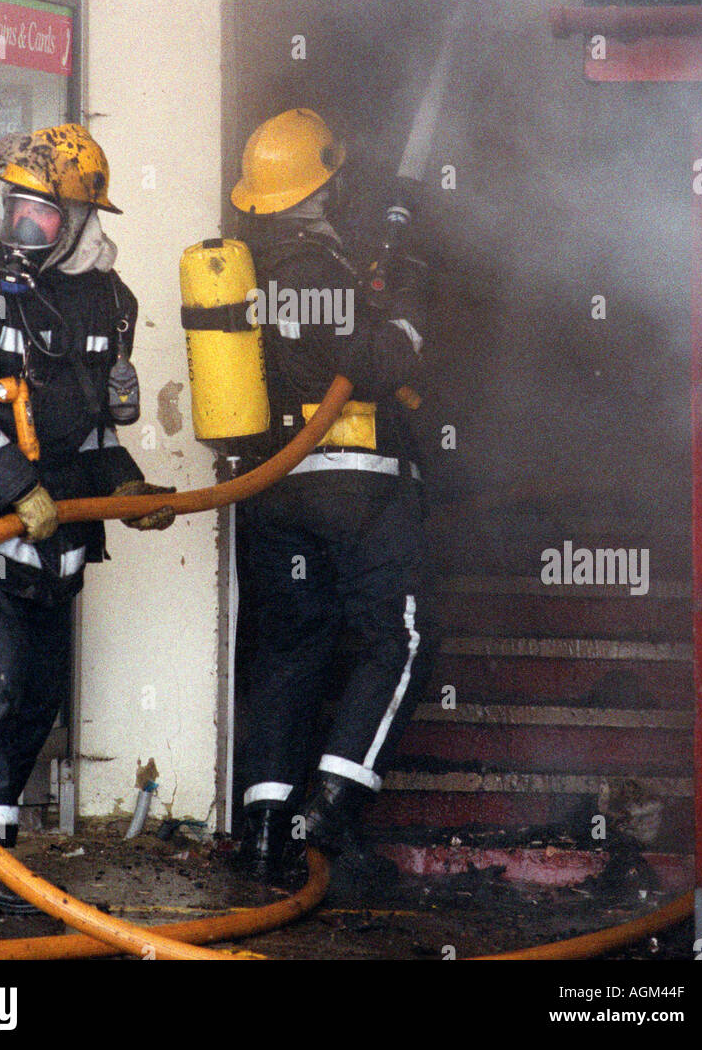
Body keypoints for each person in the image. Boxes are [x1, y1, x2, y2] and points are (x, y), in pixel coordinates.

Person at [0, 123, 174, 913]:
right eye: (15, 205)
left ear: (84, 222)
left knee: (34, 698)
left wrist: (124, 485)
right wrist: (15, 486)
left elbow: (92, 427)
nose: (24, 223)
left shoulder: (111, 301)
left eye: (44, 211)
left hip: (54, 543)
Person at [231, 107, 437, 881]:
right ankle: (330, 813)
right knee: (404, 641)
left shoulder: (262, 268)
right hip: (353, 484)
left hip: (275, 492)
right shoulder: (318, 271)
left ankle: (263, 833)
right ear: (322, 184)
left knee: (290, 652)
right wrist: (409, 302)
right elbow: (377, 363)